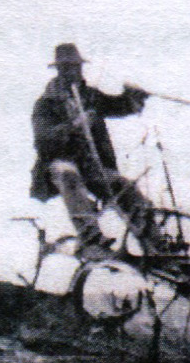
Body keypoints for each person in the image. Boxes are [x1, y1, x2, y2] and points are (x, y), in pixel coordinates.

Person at [29, 43, 169, 259]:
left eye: (76, 67)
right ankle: (91, 238)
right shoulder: (45, 104)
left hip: (92, 166)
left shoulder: (90, 97)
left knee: (124, 186)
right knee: (67, 173)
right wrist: (74, 125)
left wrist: (134, 96)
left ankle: (157, 244)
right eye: (67, 68)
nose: (73, 72)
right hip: (57, 166)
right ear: (58, 70)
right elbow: (43, 140)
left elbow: (119, 106)